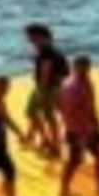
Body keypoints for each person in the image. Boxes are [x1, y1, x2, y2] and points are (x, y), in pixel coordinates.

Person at [58, 54, 99, 196]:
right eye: (82, 68)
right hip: (79, 130)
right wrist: (80, 134)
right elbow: (70, 110)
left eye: (87, 68)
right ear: (74, 68)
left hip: (88, 127)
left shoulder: (85, 82)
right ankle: (64, 189)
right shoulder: (72, 87)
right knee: (75, 160)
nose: (85, 71)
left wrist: (97, 123)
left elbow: (91, 106)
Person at [23, 24, 70, 157]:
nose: (29, 41)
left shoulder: (46, 52)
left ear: (40, 36)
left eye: (31, 38)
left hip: (47, 89)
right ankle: (47, 140)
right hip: (55, 87)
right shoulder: (51, 50)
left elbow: (46, 72)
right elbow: (63, 71)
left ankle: (54, 145)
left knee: (47, 117)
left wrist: (41, 91)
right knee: (36, 113)